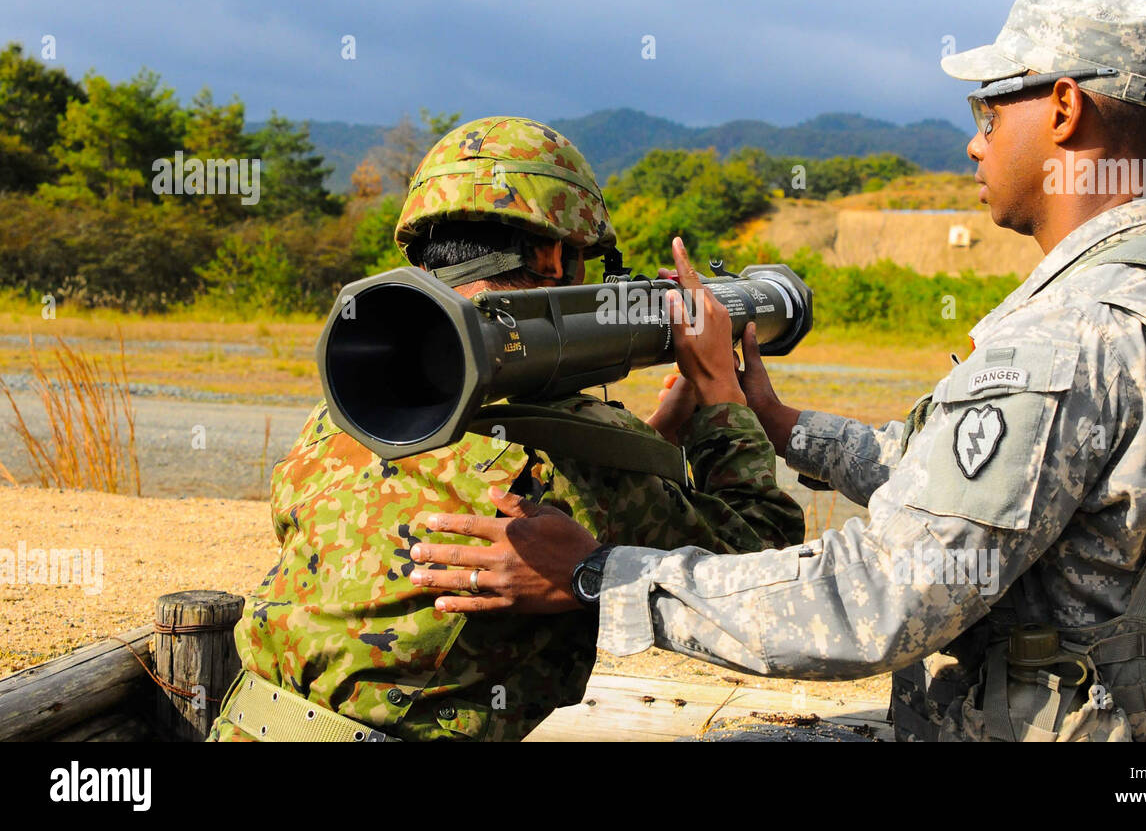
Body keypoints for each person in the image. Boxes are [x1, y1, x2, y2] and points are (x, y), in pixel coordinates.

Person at [410, 0, 1146, 742]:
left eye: (988, 112)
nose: (975, 144)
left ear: (1062, 109)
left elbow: (878, 597)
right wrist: (783, 425)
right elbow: (985, 485)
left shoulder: (1070, 334)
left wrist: (598, 574)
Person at [207, 116, 804, 742]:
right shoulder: (581, 461)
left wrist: (649, 442)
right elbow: (762, 570)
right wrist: (720, 395)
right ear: (551, 256)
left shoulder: (352, 406)